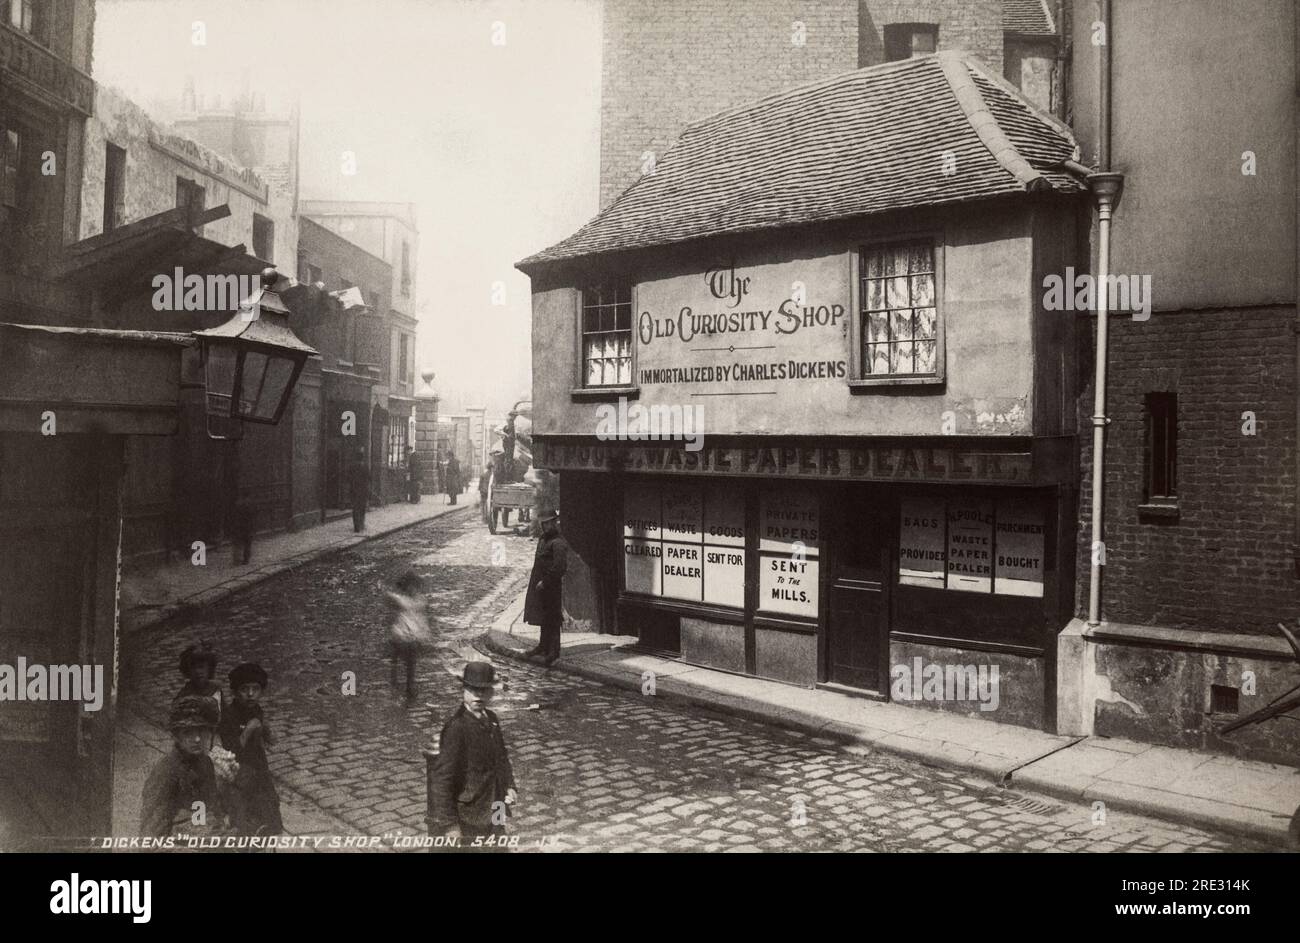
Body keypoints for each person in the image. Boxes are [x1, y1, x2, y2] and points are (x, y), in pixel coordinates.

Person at [427, 662, 517, 851]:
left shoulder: (492, 719)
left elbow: (501, 758)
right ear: (464, 691)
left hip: (495, 808)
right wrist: (450, 825)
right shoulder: (456, 728)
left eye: (484, 690)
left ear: (491, 692)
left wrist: (509, 785)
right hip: (469, 816)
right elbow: (441, 780)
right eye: (473, 689)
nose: (478, 695)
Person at [140, 696, 224, 838]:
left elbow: (210, 812)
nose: (197, 739)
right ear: (176, 736)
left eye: (202, 731)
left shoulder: (206, 763)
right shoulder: (166, 771)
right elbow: (150, 840)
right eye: (188, 732)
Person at [219, 662, 284, 837]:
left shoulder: (256, 709)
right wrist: (248, 730)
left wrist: (267, 732)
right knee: (245, 817)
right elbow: (230, 751)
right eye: (244, 689)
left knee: (269, 813)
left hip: (258, 768)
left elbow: (267, 741)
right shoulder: (229, 715)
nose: (250, 694)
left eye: (255, 689)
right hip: (239, 772)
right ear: (235, 692)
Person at [524, 510, 569, 667]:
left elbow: (560, 567)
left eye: (549, 523)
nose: (545, 526)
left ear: (554, 522)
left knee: (553, 617)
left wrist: (546, 582)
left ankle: (553, 651)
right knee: (543, 617)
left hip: (551, 587)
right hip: (540, 586)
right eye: (544, 523)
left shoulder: (558, 542)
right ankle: (543, 646)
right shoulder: (543, 539)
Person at [384, 571, 432, 700]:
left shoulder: (418, 600)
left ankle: (408, 685)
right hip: (401, 634)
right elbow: (390, 600)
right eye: (410, 587)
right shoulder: (404, 600)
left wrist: (425, 633)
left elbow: (425, 617)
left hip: (411, 636)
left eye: (415, 587)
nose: (413, 589)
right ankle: (397, 680)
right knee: (398, 658)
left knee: (410, 662)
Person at [175, 641, 223, 725]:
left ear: (209, 669)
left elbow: (224, 714)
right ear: (187, 671)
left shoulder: (215, 689)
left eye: (201, 667)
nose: (198, 672)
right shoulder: (185, 693)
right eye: (193, 668)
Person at [348, 446, 370, 532]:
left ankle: (356, 526)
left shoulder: (351, 467)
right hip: (363, 491)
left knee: (355, 508)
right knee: (362, 508)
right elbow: (369, 477)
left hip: (354, 490)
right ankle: (361, 524)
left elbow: (348, 477)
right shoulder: (365, 466)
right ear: (362, 458)